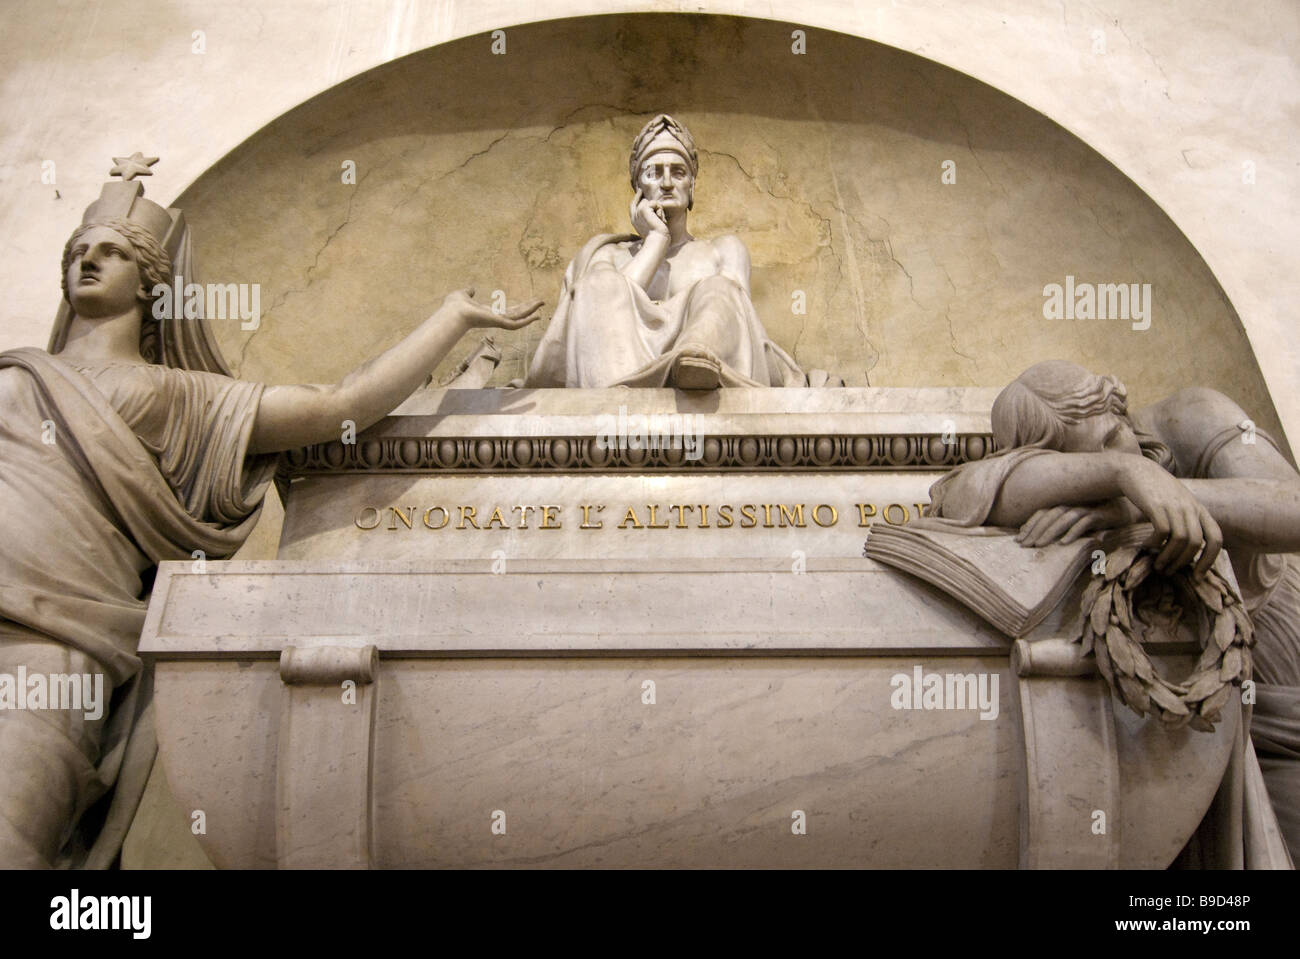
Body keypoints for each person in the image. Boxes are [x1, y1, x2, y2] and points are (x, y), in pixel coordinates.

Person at [0, 161, 542, 867]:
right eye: (79, 250)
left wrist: (450, 317)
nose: (89, 258)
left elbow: (338, 407)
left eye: (113, 251)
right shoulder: (18, 371)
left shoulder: (183, 396)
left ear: (152, 283)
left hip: (57, 632)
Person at [926, 359, 1300, 866]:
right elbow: (961, 495)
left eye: (1110, 442)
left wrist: (1147, 500)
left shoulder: (1195, 414)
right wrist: (1124, 474)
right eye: (1082, 468)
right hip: (1209, 714)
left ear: (1118, 409)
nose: (1105, 469)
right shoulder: (1109, 479)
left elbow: (1292, 507)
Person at [524, 114, 820, 389]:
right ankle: (620, 394)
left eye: (678, 173)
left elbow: (742, 327)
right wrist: (656, 239)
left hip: (706, 365)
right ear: (638, 187)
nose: (666, 183)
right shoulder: (610, 255)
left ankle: (694, 358)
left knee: (720, 288)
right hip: (617, 372)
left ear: (691, 186)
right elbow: (601, 312)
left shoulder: (722, 250)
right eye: (654, 173)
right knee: (596, 284)